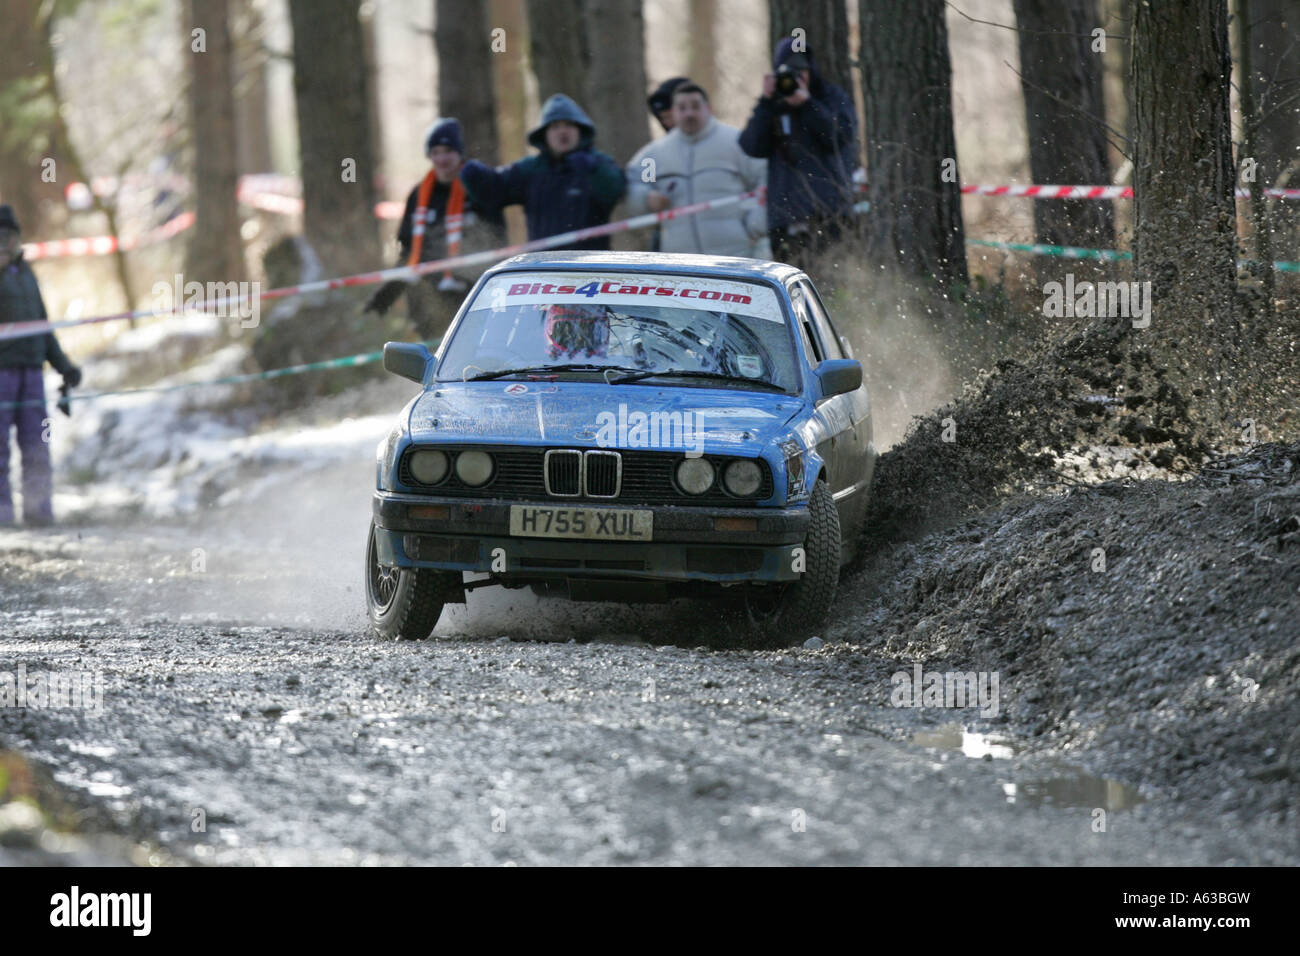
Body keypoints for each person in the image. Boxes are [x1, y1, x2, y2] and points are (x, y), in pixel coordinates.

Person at [365, 118, 505, 341]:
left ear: (459, 153)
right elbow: (408, 252)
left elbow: (497, 243)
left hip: (469, 301)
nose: (442, 158)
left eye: (448, 150)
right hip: (426, 303)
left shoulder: (478, 187)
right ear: (429, 155)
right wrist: (388, 293)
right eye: (436, 151)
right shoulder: (418, 195)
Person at [739, 38, 857, 276]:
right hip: (784, 217)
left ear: (811, 70)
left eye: (802, 71)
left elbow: (840, 137)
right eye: (790, 72)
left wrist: (808, 104)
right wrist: (765, 102)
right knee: (791, 288)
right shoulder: (773, 105)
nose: (797, 78)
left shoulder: (830, 97)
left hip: (828, 214)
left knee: (833, 284)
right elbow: (751, 146)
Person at [0, 204, 81, 527]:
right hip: (1, 374)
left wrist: (64, 367)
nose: (6, 243)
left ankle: (39, 513)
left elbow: (41, 326)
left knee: (37, 444)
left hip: (32, 374)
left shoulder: (27, 273)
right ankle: (2, 518)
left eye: (10, 236)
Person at [461, 94, 625, 252]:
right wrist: (473, 174)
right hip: (542, 267)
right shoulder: (531, 169)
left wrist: (594, 170)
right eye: (555, 127)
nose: (562, 132)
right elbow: (495, 189)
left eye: (568, 125)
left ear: (580, 130)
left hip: (591, 265)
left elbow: (615, 190)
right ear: (544, 135)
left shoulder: (598, 163)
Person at [625, 82, 768, 259]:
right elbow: (637, 183)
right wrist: (646, 198)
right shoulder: (656, 155)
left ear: (708, 108)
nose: (689, 114)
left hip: (736, 258)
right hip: (681, 263)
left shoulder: (737, 143)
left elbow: (764, 180)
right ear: (674, 112)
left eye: (695, 106)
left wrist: (756, 225)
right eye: (682, 108)